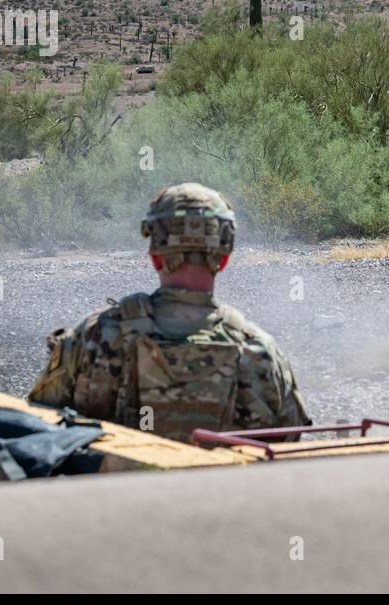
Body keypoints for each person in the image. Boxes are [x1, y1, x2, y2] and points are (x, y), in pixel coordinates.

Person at [28, 183, 309, 441]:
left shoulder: (94, 337)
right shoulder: (260, 352)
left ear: (155, 256)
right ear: (223, 259)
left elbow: (39, 431)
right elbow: (290, 453)